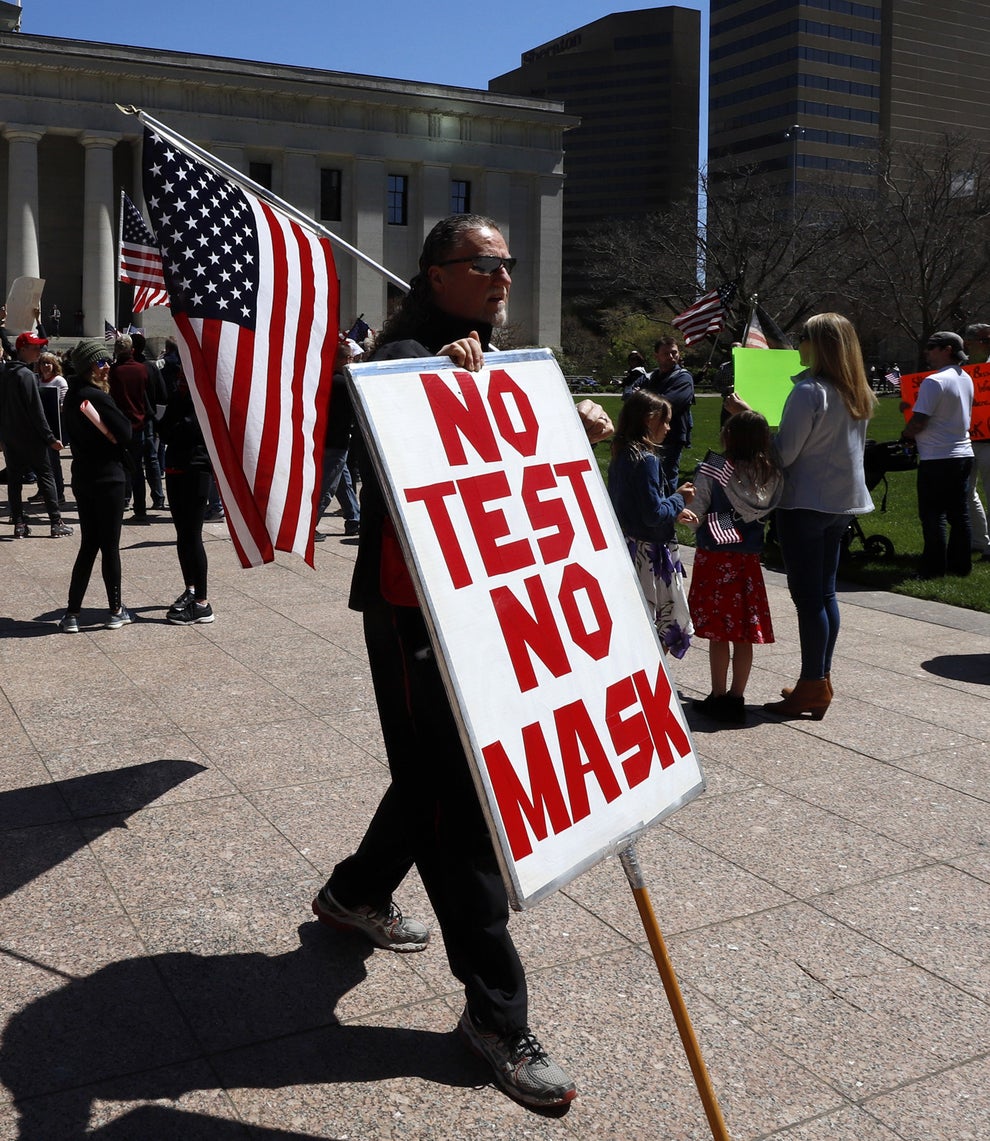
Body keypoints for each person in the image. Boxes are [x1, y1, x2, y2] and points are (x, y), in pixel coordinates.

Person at [312, 214, 610, 1110]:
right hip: (413, 616)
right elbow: (352, 424)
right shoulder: (402, 352)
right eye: (486, 264)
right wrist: (426, 381)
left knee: (436, 774)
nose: (505, 276)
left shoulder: (492, 352)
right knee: (459, 808)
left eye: (509, 263)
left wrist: (564, 419)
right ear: (438, 272)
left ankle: (355, 890)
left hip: (477, 612)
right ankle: (495, 1012)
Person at [727, 312, 876, 719]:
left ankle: (814, 683)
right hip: (841, 504)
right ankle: (818, 679)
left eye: (804, 338)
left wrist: (747, 418)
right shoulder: (856, 391)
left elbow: (784, 453)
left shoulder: (810, 391)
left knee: (810, 599)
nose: (798, 344)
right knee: (825, 595)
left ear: (819, 345)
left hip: (805, 504)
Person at [686, 411, 783, 724]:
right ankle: (737, 697)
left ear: (728, 436)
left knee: (719, 634)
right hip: (748, 561)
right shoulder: (770, 471)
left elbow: (696, 512)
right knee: (743, 633)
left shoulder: (714, 467)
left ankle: (717, 695)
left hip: (715, 559)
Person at [608, 389, 697, 658]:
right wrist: (679, 499)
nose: (669, 428)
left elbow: (641, 503)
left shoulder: (622, 453)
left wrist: (673, 508)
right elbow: (653, 514)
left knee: (637, 622)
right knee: (661, 626)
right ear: (650, 419)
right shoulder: (646, 459)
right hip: (652, 554)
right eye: (666, 421)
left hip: (630, 546)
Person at [59, 339, 134, 632]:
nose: (107, 367)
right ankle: (116, 610)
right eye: (102, 363)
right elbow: (126, 432)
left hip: (84, 476)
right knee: (110, 546)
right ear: (90, 367)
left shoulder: (73, 395)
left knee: (89, 545)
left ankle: (72, 613)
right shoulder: (97, 397)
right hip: (108, 478)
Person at [900, 331, 974, 578]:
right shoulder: (965, 378)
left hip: (938, 456)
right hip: (963, 452)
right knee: (959, 513)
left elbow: (920, 421)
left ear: (947, 350)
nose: (927, 351)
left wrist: (906, 434)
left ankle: (933, 569)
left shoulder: (934, 381)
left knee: (933, 515)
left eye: (932, 347)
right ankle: (960, 565)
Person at [0, 331, 73, 538]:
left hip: (10, 437)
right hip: (32, 438)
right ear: (22, 349)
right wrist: (50, 438)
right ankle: (56, 522)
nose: (39, 351)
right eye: (35, 347)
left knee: (14, 481)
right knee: (46, 476)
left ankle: (19, 524)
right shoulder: (27, 376)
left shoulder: (4, 373)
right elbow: (36, 411)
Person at [158, 365, 216, 625]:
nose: (180, 376)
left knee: (193, 534)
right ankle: (190, 589)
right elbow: (165, 430)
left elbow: (181, 430)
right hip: (176, 466)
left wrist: (169, 426)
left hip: (196, 468)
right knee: (182, 534)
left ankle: (202, 602)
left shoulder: (203, 395)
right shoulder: (179, 395)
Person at [108, 333, 165, 520]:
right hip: (140, 424)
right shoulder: (142, 369)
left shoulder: (114, 372)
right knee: (138, 468)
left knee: (120, 467)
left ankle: (122, 501)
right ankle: (140, 508)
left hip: (120, 425)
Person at [313, 337, 361, 542]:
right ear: (346, 359)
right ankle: (309, 525)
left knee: (344, 483)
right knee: (327, 488)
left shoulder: (326, 380)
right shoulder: (343, 383)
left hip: (327, 439)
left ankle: (353, 519)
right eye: (351, 358)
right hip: (337, 441)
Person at [642, 335, 694, 487]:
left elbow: (667, 404)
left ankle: (669, 509)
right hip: (651, 435)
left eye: (674, 353)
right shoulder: (654, 377)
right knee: (650, 477)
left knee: (667, 479)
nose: (671, 357)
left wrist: (645, 399)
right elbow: (631, 395)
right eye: (666, 353)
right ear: (656, 356)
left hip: (671, 435)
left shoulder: (683, 377)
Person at [962, 322, 990, 562]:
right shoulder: (960, 369)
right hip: (966, 439)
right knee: (966, 492)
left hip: (988, 441)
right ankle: (979, 540)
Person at [35, 352, 69, 503]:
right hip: (40, 426)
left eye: (48, 363)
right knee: (40, 461)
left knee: (53, 461)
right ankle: (42, 491)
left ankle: (59, 493)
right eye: (43, 363)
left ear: (54, 365)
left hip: (54, 427)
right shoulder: (37, 381)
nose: (45, 366)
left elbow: (64, 404)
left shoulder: (59, 381)